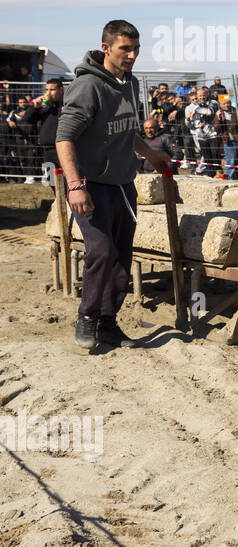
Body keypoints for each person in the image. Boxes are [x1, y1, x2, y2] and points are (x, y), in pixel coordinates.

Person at [55, 20, 170, 349]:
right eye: (125, 49)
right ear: (106, 48)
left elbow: (126, 132)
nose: (132, 55)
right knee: (101, 251)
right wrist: (75, 185)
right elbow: (65, 138)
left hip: (123, 184)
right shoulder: (88, 86)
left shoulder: (130, 84)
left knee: (121, 256)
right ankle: (87, 316)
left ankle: (108, 321)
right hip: (91, 185)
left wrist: (152, 155)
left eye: (136, 49)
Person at [184, 86, 221, 176]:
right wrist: (188, 119)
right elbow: (189, 125)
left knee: (215, 154)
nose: (201, 97)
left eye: (203, 95)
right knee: (206, 156)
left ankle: (219, 171)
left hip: (213, 134)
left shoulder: (213, 103)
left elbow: (209, 112)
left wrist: (197, 110)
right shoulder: (193, 107)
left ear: (207, 95)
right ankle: (209, 174)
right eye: (199, 96)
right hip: (200, 135)